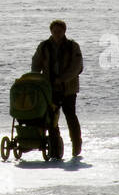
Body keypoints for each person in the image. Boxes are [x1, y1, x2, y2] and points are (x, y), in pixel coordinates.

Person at [31, 20, 83, 158]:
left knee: (70, 116)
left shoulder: (73, 46)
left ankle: (76, 145)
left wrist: (62, 79)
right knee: (51, 118)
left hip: (68, 89)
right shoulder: (44, 46)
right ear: (51, 31)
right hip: (49, 89)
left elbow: (77, 67)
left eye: (59, 31)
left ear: (64, 31)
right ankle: (55, 147)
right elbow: (36, 63)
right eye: (54, 31)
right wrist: (36, 79)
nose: (57, 34)